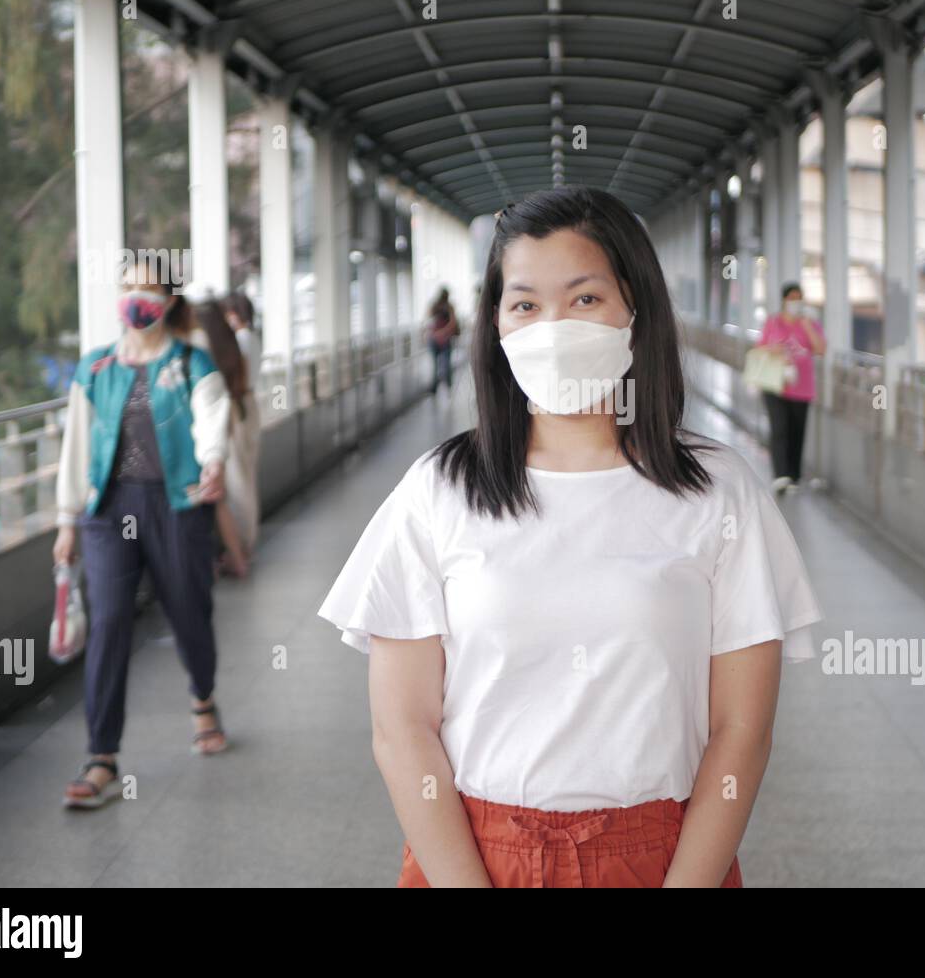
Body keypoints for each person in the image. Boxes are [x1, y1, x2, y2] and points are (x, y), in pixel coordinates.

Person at [318, 186, 823, 888]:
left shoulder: (718, 490)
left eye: (585, 299)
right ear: (495, 323)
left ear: (636, 312)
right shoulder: (440, 489)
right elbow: (402, 732)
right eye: (524, 304)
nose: (552, 326)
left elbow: (742, 730)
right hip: (473, 854)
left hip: (659, 856)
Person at [53, 258, 232, 809]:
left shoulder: (190, 361)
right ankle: (101, 754)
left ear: (169, 300)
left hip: (177, 502)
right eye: (127, 286)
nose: (135, 298)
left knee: (188, 612)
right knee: (107, 622)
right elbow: (76, 445)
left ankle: (203, 697)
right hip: (108, 508)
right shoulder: (96, 368)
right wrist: (66, 521)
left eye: (147, 289)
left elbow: (212, 414)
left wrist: (213, 461)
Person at [190, 299, 261, 577]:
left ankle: (237, 551)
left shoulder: (204, 353)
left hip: (227, 416)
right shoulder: (235, 343)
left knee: (228, 490)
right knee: (243, 481)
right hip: (243, 408)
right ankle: (244, 546)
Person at [759, 283, 826, 495]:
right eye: (792, 298)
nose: (795, 303)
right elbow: (760, 347)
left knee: (797, 432)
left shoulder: (811, 323)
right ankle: (781, 476)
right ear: (784, 300)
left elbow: (821, 349)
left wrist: (806, 326)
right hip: (775, 385)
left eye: (799, 299)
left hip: (802, 387)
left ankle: (794, 476)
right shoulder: (773, 322)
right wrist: (773, 349)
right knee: (779, 428)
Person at [223, 291, 262, 393]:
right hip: (251, 393)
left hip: (242, 396)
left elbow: (242, 370)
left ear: (234, 314)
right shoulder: (253, 336)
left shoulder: (240, 338)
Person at [423, 287, 458, 395]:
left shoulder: (434, 305)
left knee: (435, 365)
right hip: (444, 338)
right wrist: (443, 332)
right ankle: (448, 386)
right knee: (446, 364)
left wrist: (433, 333)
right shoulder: (449, 307)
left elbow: (427, 320)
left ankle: (435, 388)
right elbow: (453, 323)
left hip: (434, 338)